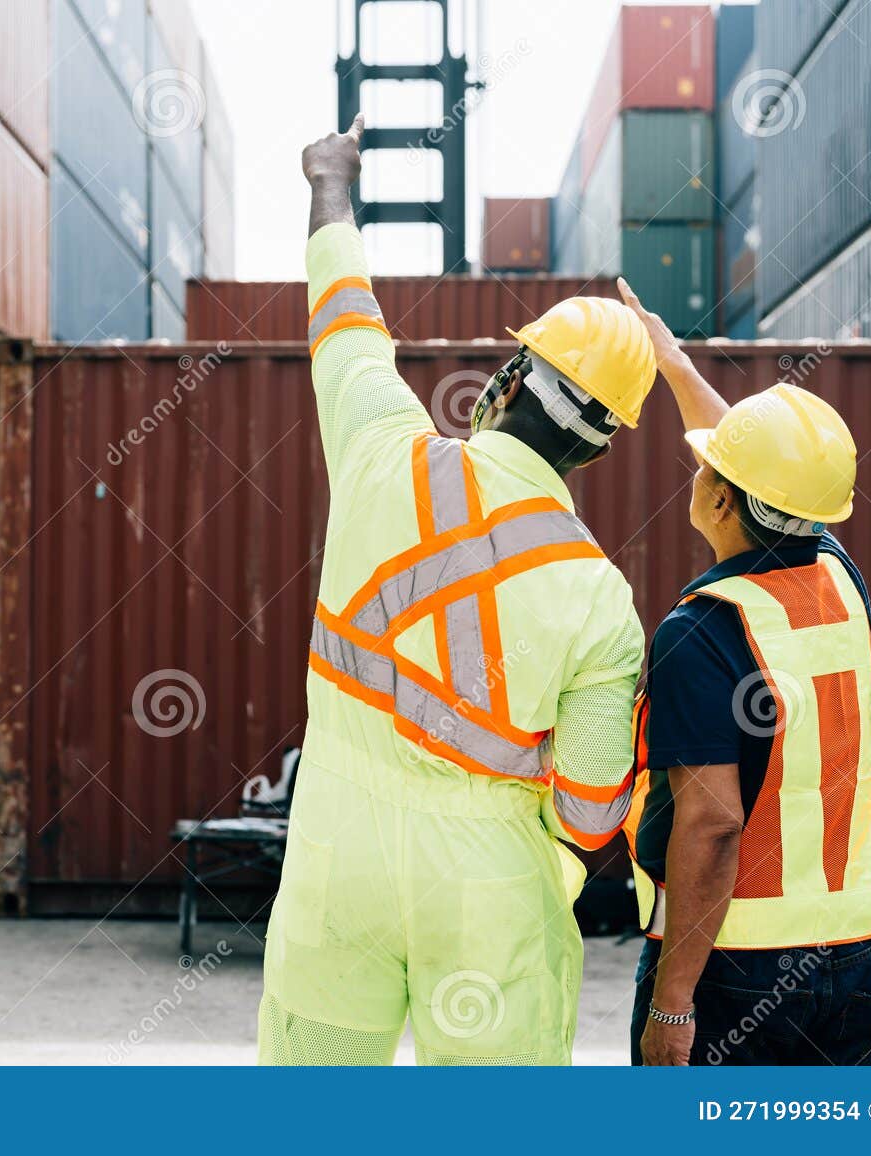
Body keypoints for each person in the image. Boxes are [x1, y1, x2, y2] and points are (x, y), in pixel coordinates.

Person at [257, 116, 657, 1065]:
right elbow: (595, 807)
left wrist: (329, 184)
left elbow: (346, 328)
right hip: (490, 889)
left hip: (335, 857)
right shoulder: (600, 600)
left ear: (510, 378)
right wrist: (541, 866)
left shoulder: (380, 447)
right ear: (603, 443)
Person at [615, 280, 871, 1067]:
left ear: (717, 501)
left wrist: (673, 1008)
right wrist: (674, 363)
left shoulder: (702, 632)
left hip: (731, 972)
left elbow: (711, 829)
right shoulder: (840, 581)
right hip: (852, 962)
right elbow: (775, 484)